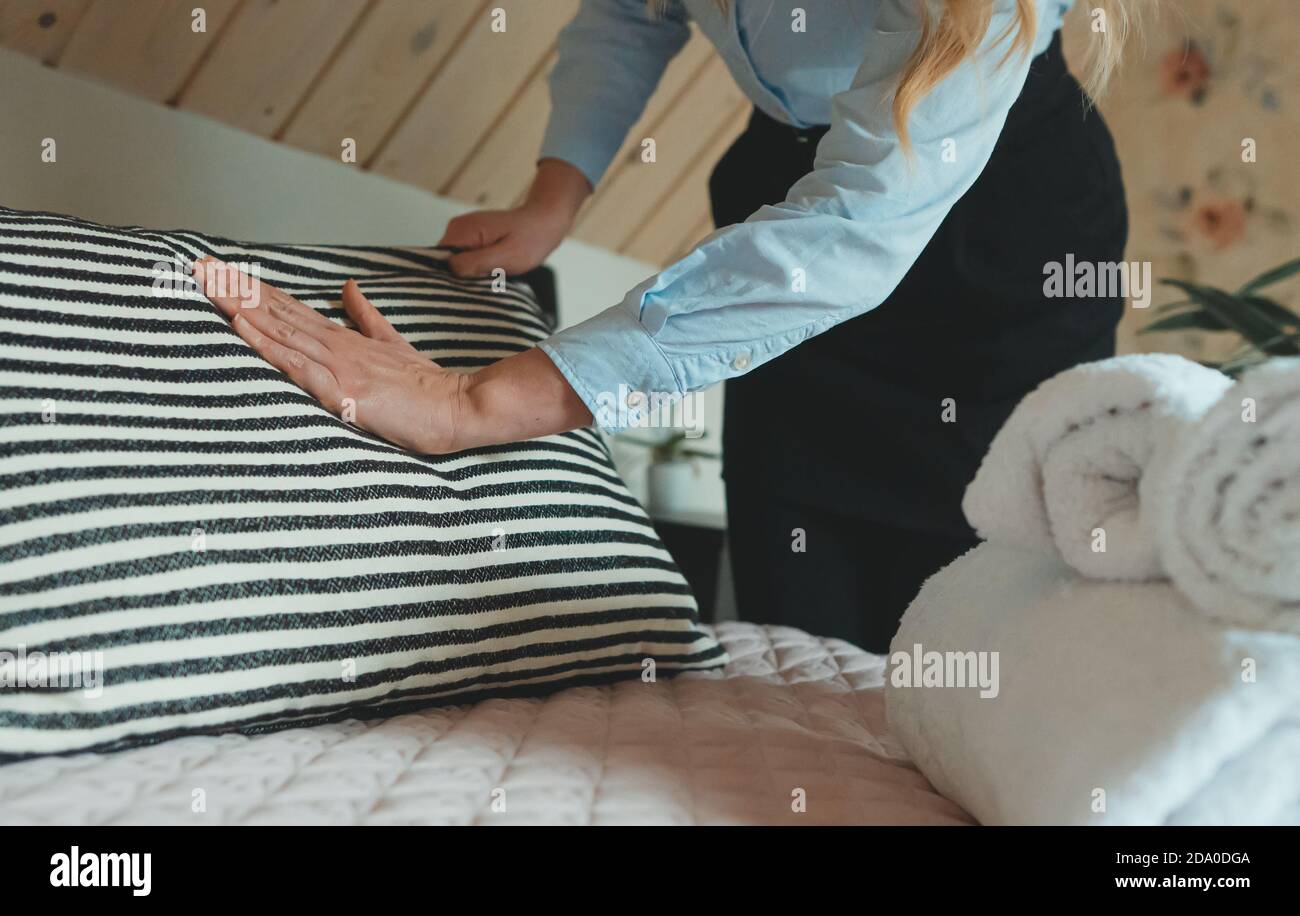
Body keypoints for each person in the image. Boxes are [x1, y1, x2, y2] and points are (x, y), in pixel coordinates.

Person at [199, 0, 1136, 652]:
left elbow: (855, 231)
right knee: (798, 627)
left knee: (966, 638)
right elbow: (629, 13)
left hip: (995, 254)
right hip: (794, 194)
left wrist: (474, 399)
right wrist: (553, 197)